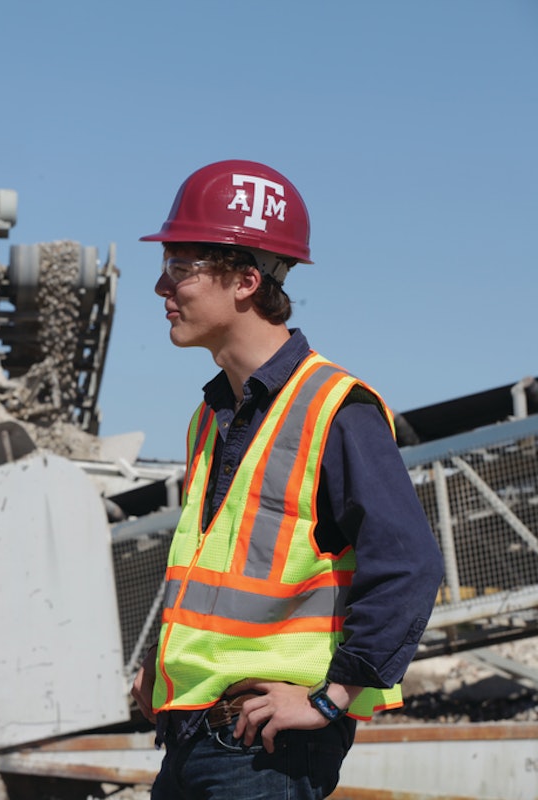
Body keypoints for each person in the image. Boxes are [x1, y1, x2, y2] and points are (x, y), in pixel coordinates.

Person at [129, 160, 444, 799]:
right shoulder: (210, 419)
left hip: (265, 748)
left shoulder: (336, 407)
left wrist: (333, 700)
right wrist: (161, 662)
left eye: (181, 266)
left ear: (246, 279)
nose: (162, 285)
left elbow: (410, 563)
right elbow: (210, 568)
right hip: (193, 732)